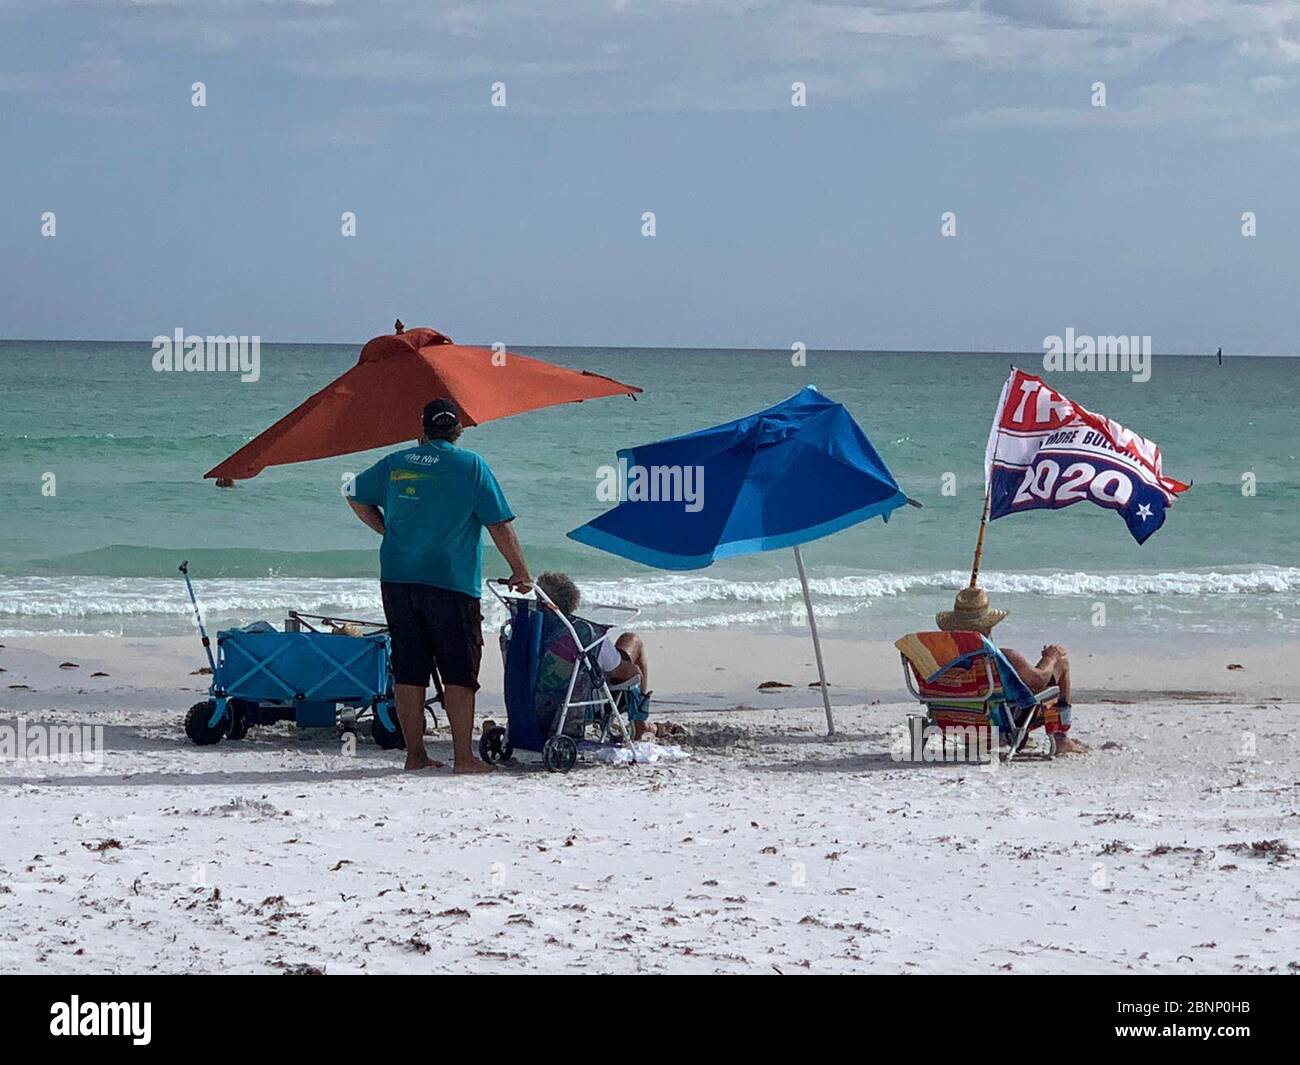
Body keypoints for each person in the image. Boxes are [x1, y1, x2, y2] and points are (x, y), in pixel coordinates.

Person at [347, 398, 532, 772]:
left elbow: (352, 492)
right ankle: (463, 757)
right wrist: (520, 572)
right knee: (459, 672)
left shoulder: (396, 463)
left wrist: (384, 529)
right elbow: (499, 523)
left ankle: (414, 755)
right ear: (459, 430)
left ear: (422, 429)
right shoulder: (472, 466)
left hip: (398, 579)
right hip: (451, 582)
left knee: (410, 668)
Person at [935, 586, 1087, 754]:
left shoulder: (940, 659)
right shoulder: (1002, 657)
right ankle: (1061, 738)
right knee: (1061, 663)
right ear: (988, 627)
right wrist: (1051, 657)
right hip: (1002, 722)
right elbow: (1039, 681)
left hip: (958, 718)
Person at [533, 571, 666, 740]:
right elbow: (623, 673)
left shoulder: (528, 632)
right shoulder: (584, 635)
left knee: (627, 642)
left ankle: (641, 725)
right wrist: (636, 673)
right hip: (576, 704)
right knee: (632, 650)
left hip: (533, 701)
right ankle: (640, 724)